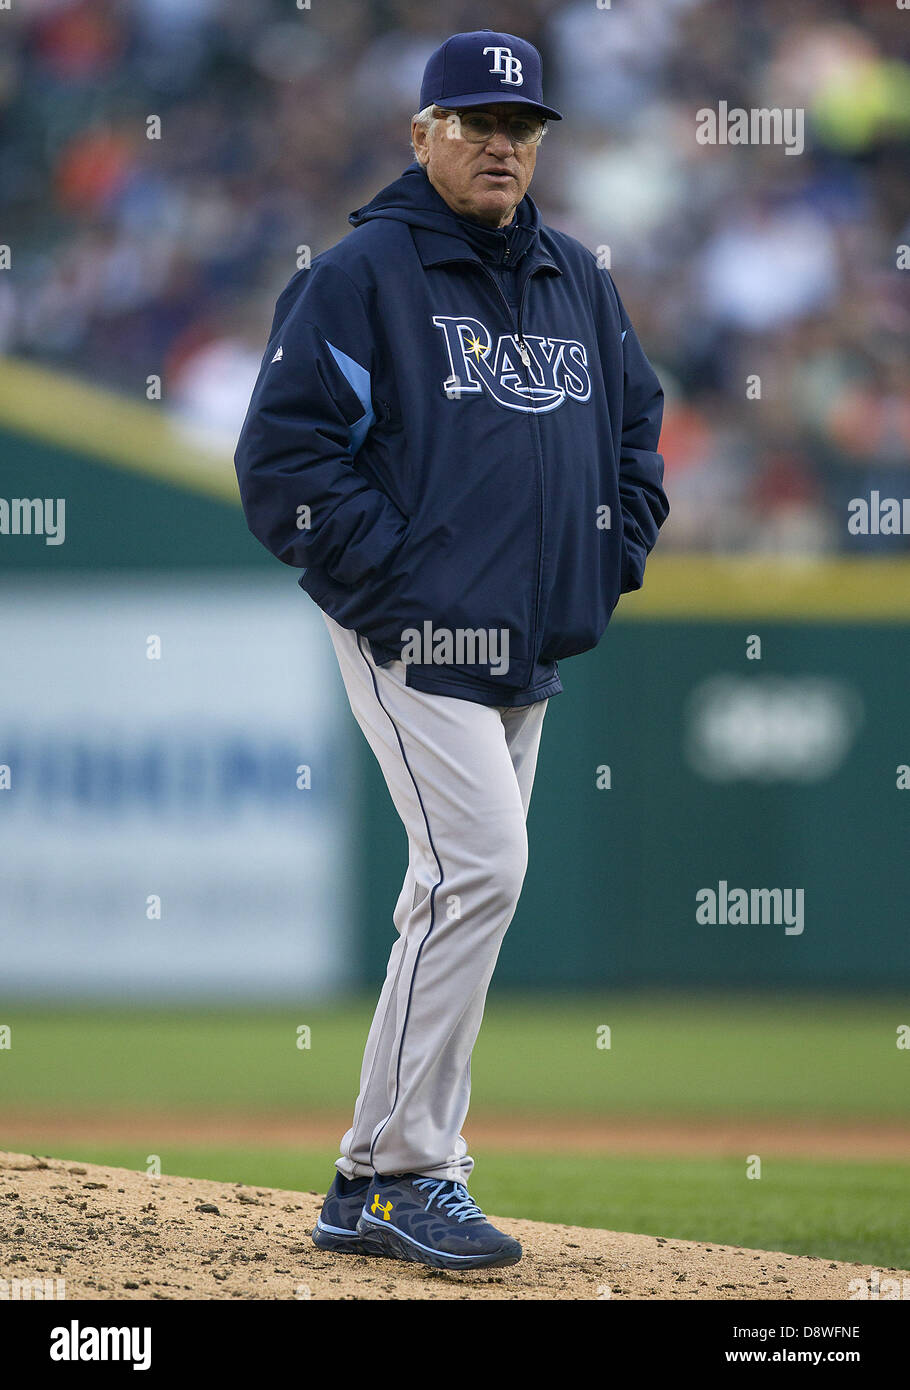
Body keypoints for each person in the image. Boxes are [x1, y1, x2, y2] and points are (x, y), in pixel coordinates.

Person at [234, 29, 668, 1272]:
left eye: (520, 125)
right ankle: (413, 1171)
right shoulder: (363, 273)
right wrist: (398, 583)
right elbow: (285, 462)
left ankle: (370, 1176)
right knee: (481, 866)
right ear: (420, 133)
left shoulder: (576, 276)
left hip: (530, 630)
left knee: (453, 888)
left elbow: (637, 430)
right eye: (473, 120)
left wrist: (607, 553)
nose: (499, 142)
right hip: (413, 627)